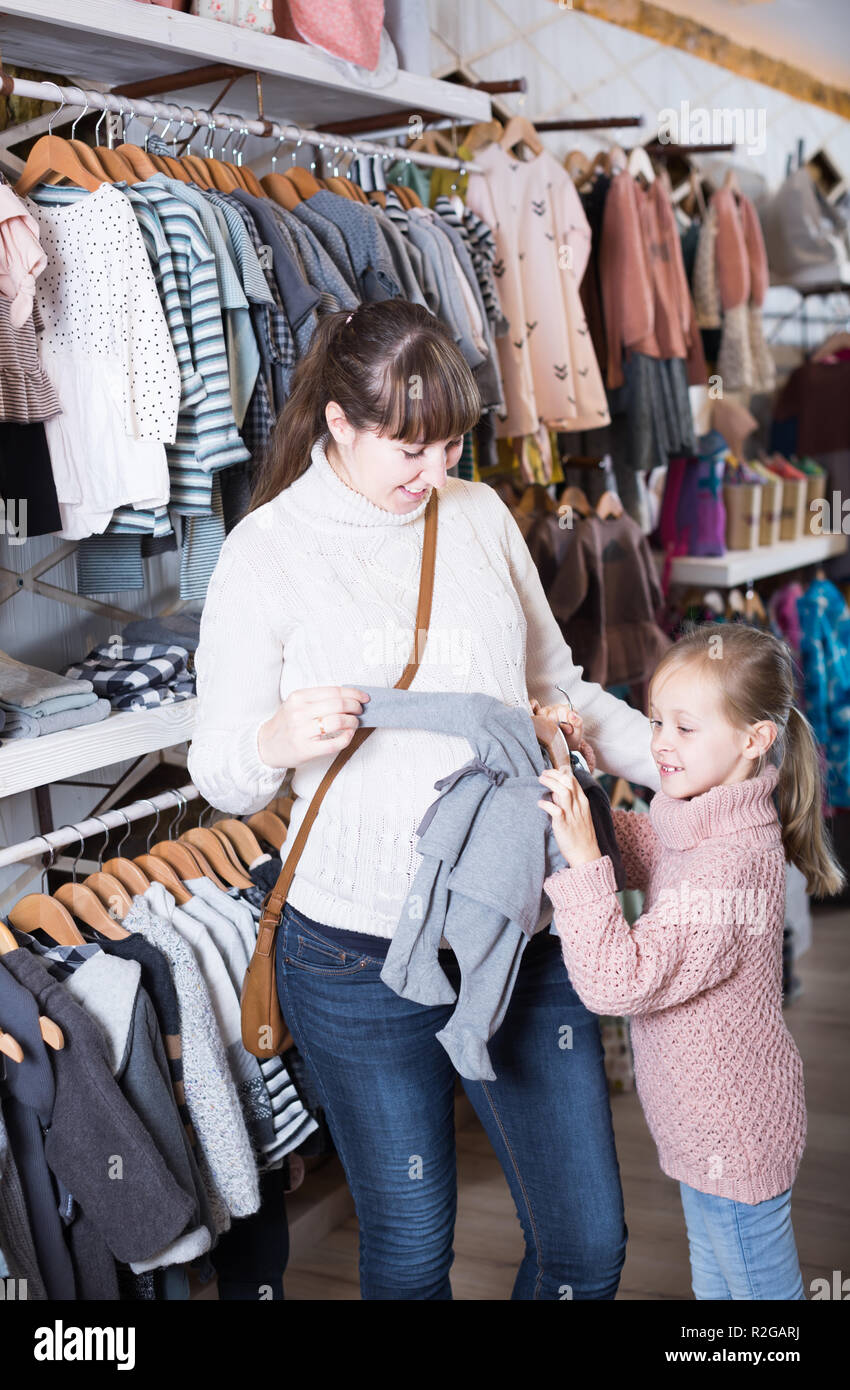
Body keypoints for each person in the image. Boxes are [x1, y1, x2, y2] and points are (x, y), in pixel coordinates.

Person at [187, 298, 661, 1300]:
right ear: (339, 424)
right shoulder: (265, 553)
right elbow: (222, 773)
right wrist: (276, 738)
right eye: (409, 449)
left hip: (518, 926)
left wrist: (682, 765)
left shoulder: (479, 514)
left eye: (451, 445)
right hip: (354, 957)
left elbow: (557, 689)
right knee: (407, 1255)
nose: (435, 473)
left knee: (585, 1246)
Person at [538, 622, 845, 1301]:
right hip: (704, 1127)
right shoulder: (705, 818)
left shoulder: (730, 868)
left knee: (758, 1300)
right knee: (717, 1284)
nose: (660, 745)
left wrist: (586, 863)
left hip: (732, 1132)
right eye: (654, 723)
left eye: (684, 727)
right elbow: (652, 844)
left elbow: (619, 981)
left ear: (753, 740)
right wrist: (586, 789)